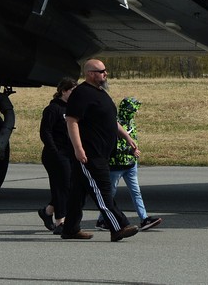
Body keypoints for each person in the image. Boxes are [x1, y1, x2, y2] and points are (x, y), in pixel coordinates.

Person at [60, 58, 140, 241]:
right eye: (101, 71)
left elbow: (110, 121)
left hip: (102, 153)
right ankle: (118, 227)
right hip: (89, 154)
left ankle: (70, 229)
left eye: (105, 71)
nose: (105, 74)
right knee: (102, 191)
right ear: (90, 74)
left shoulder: (100, 93)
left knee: (77, 194)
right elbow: (71, 121)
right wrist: (78, 149)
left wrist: (127, 137)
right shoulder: (81, 93)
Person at [97, 97, 162, 232]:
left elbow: (133, 140)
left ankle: (144, 219)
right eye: (134, 110)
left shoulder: (131, 122)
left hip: (131, 164)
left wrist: (135, 150)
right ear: (128, 110)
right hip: (116, 165)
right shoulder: (114, 122)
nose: (136, 113)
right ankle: (102, 219)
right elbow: (114, 143)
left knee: (136, 191)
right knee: (111, 193)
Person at [38, 77, 77, 234]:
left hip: (69, 153)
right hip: (55, 154)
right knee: (62, 186)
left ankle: (47, 211)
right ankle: (60, 221)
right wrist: (54, 150)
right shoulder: (53, 109)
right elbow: (45, 132)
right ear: (64, 91)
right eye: (72, 92)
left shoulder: (73, 109)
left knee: (68, 186)